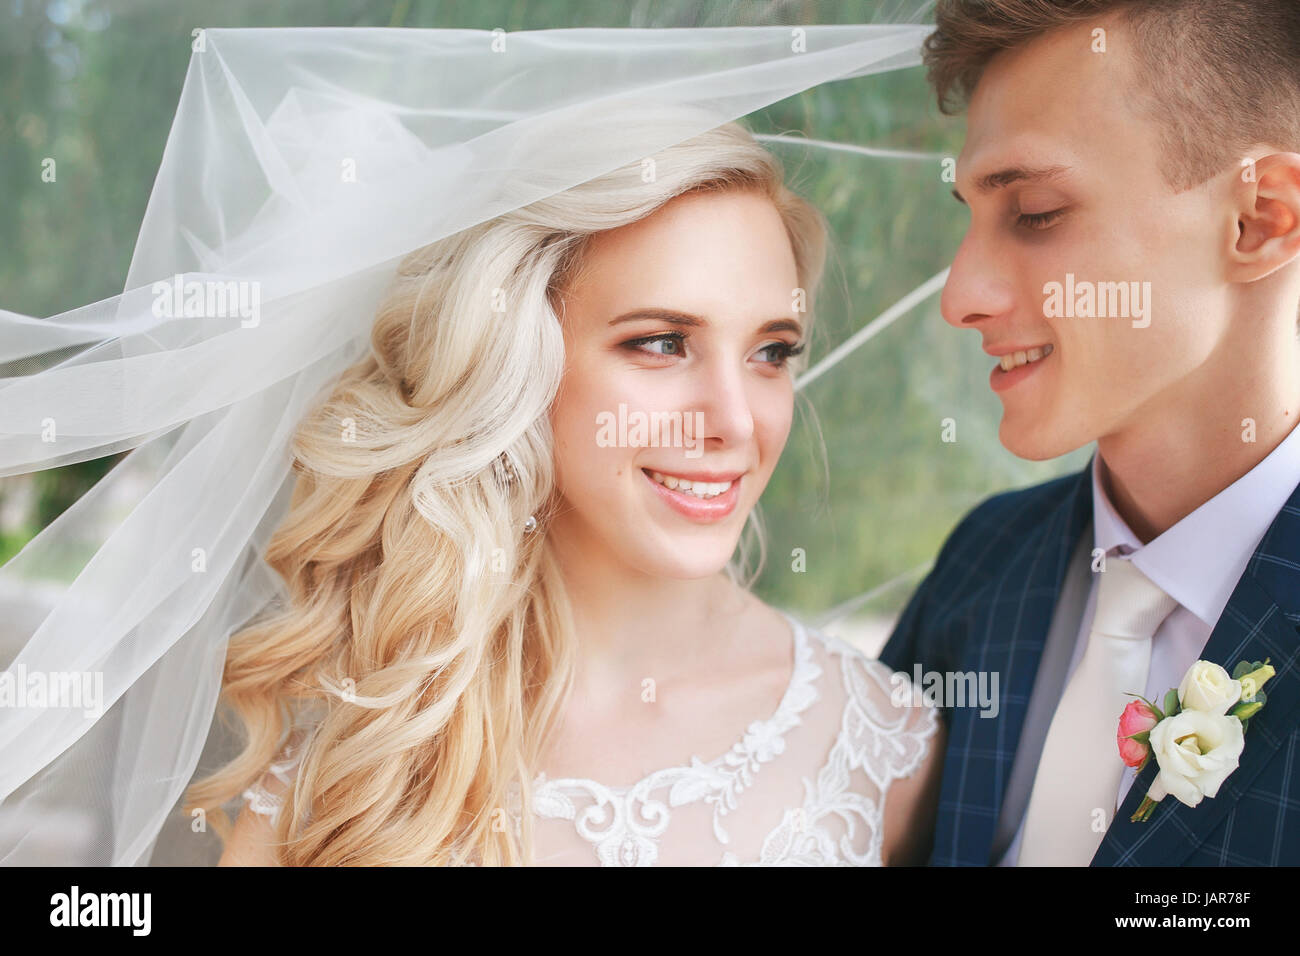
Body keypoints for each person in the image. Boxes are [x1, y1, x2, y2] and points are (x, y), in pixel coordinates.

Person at [192, 120, 945, 867]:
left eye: (770, 352)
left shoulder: (880, 748)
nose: (735, 420)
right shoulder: (373, 757)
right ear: (517, 359)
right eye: (660, 343)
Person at [881, 0, 1300, 866]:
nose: (960, 296)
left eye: (1034, 211)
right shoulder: (980, 568)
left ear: (1260, 217)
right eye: (969, 212)